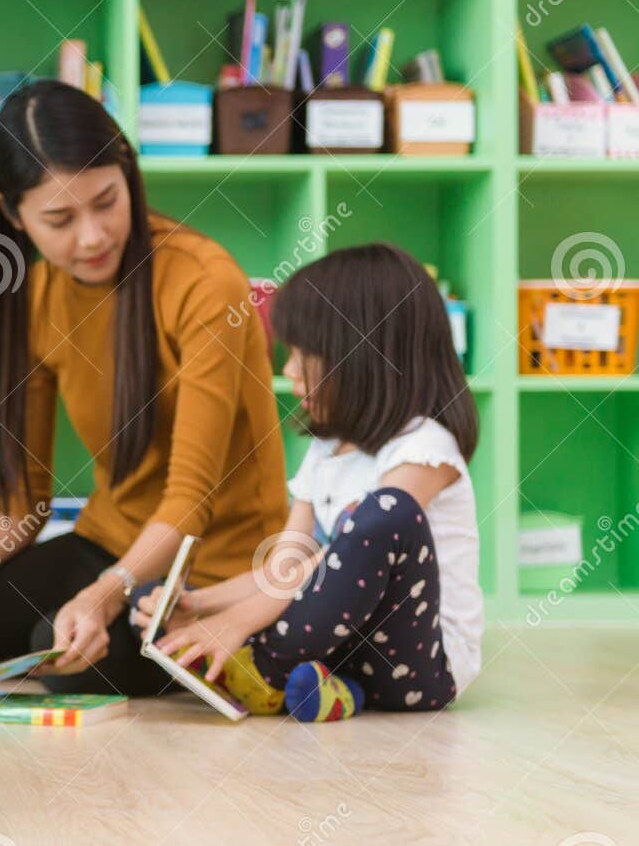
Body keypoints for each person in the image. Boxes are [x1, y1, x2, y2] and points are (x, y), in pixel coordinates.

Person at [0, 79, 288, 695]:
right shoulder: (37, 296)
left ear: (128, 176)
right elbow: (22, 503)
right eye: (59, 218)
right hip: (108, 543)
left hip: (211, 569)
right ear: (12, 214)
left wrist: (106, 596)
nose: (92, 236)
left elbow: (191, 503)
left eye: (106, 201)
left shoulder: (204, 281)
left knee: (64, 651)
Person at [142, 244, 482, 721]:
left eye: (306, 356)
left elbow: (339, 557)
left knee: (383, 515)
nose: (289, 372)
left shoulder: (425, 450)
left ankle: (265, 667)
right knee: (157, 601)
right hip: (347, 648)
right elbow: (286, 567)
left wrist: (236, 621)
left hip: (420, 668)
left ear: (367, 358)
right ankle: (331, 689)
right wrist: (199, 602)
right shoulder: (326, 450)